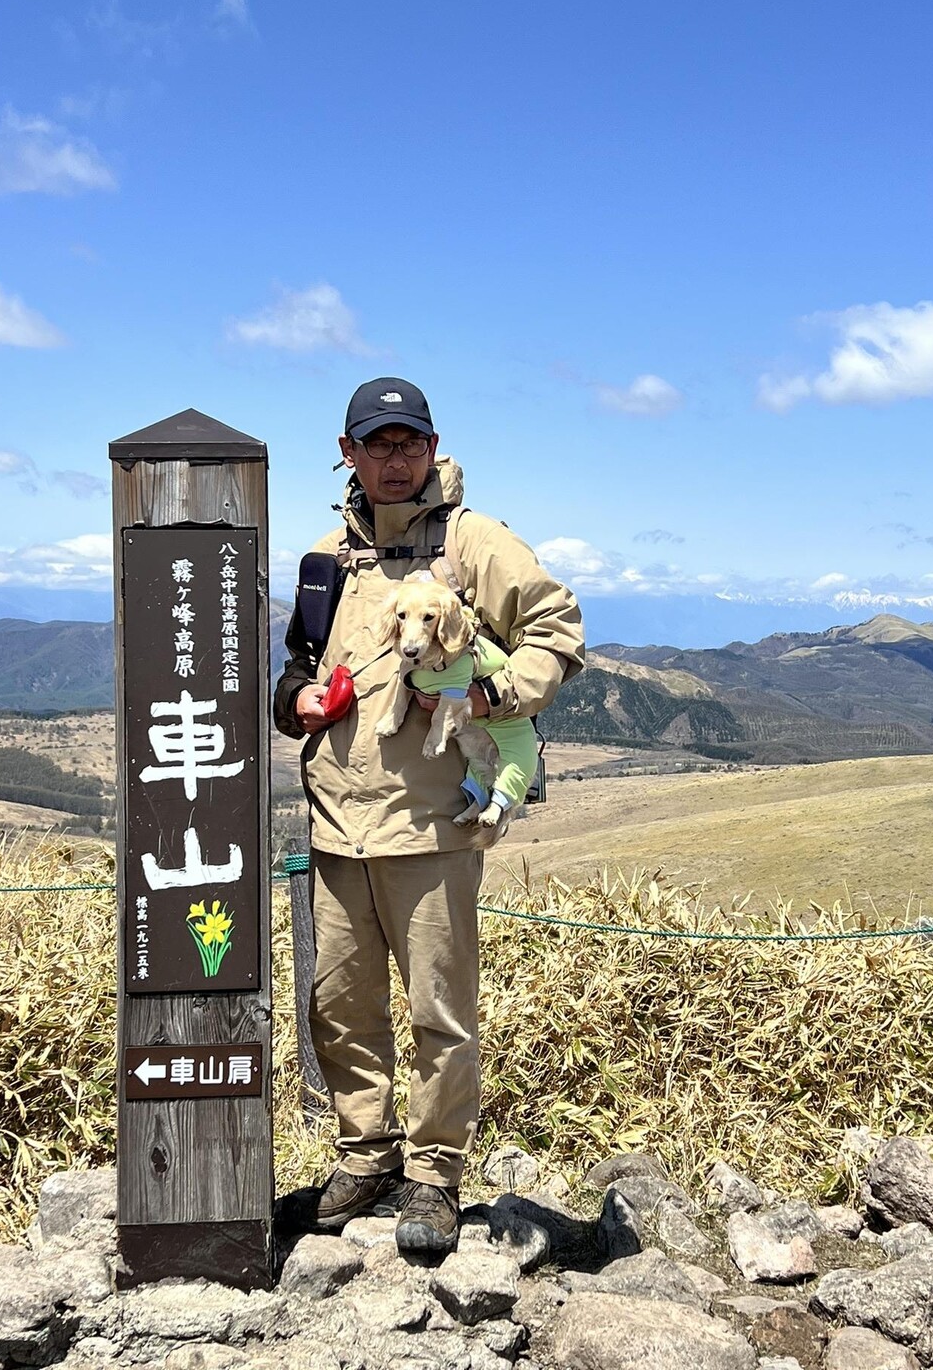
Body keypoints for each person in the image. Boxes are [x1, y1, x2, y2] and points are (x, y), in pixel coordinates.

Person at [273, 376, 584, 1255]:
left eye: (410, 443)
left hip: (432, 825)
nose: (395, 460)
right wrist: (293, 700)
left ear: (434, 445)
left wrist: (493, 695)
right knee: (339, 1005)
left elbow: (558, 627)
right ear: (349, 454)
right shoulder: (326, 557)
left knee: (440, 1012)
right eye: (378, 444)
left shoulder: (474, 543)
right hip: (337, 821)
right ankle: (363, 1155)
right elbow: (296, 665)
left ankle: (434, 1176)